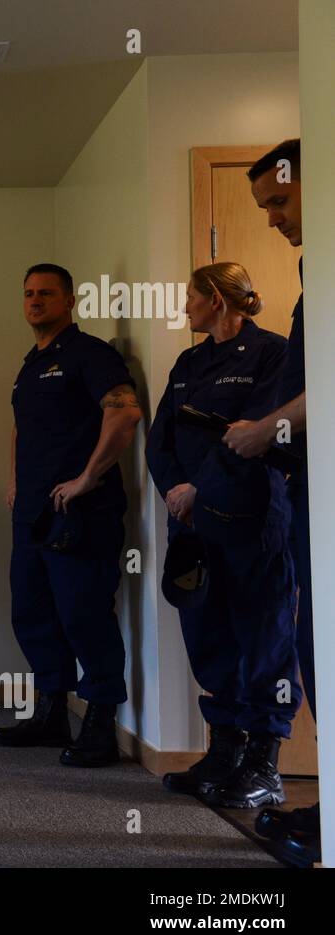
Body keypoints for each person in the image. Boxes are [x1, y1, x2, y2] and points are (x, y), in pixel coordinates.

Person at [147, 262, 298, 809]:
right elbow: (160, 436)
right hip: (190, 524)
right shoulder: (190, 361)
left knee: (262, 640)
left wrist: (199, 489)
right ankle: (224, 752)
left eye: (190, 297)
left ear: (215, 298)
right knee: (207, 636)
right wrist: (173, 488)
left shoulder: (272, 353)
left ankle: (264, 765)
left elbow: (255, 438)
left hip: (249, 521)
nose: (184, 307)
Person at [0, 264, 141, 766]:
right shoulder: (31, 362)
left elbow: (125, 411)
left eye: (46, 293)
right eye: (28, 293)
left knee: (83, 613)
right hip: (32, 512)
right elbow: (19, 429)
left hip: (81, 512)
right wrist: (15, 481)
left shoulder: (90, 354)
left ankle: (99, 721)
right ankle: (52, 712)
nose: (35, 301)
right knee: (30, 612)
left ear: (70, 300)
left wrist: (88, 477)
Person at [223, 139, 319, 863]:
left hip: (305, 486)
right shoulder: (316, 270)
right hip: (306, 483)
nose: (273, 219)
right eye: (264, 207)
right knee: (316, 646)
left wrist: (268, 429)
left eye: (279, 201)